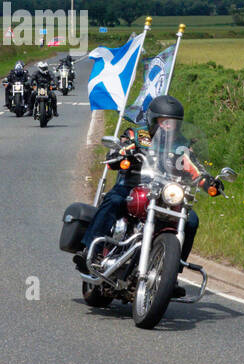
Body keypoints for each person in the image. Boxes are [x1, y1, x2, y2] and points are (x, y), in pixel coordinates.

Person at [74, 95, 221, 293]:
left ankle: (171, 273)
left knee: (191, 220)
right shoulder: (136, 134)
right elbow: (118, 151)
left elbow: (193, 168)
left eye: (173, 123)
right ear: (153, 120)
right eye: (164, 121)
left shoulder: (181, 145)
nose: (168, 126)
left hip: (165, 192)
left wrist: (209, 182)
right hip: (132, 185)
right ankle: (90, 249)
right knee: (114, 200)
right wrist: (120, 153)